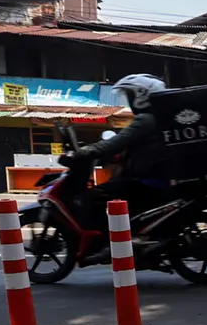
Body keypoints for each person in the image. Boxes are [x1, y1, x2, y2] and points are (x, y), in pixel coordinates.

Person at [61, 74, 170, 261]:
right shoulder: (157, 118)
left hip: (146, 181)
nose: (129, 100)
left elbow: (113, 143)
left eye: (130, 95)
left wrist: (85, 151)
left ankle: (108, 243)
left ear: (141, 96)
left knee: (93, 197)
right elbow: (125, 146)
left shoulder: (145, 120)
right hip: (154, 177)